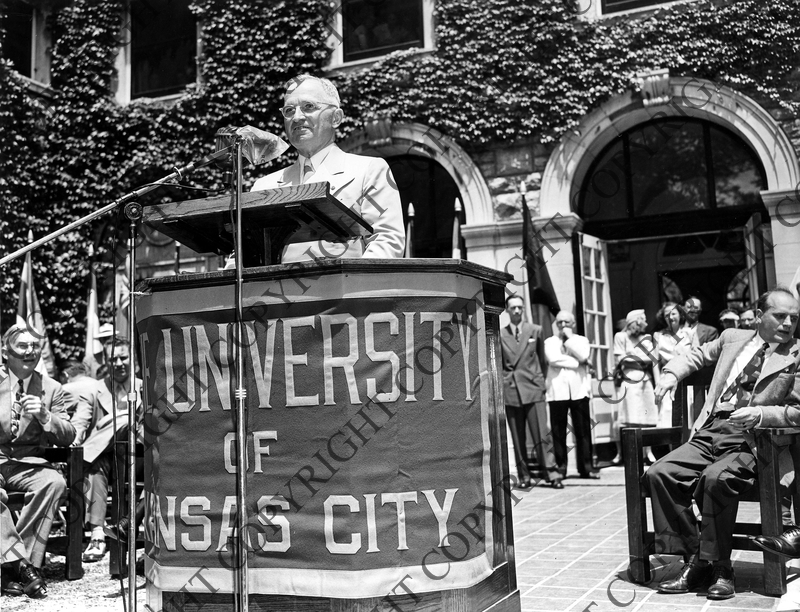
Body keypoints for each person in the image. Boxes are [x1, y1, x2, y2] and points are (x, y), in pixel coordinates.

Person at [646, 287, 800, 601]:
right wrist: (670, 374)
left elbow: (797, 411)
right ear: (759, 316)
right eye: (780, 315)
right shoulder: (731, 337)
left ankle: (720, 567)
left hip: (754, 441)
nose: (788, 324)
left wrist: (760, 413)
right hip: (710, 429)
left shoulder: (797, 354)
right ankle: (699, 559)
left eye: (794, 318)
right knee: (659, 474)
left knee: (716, 479)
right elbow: (695, 355)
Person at [251, 74, 405, 262]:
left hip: (344, 288)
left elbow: (387, 242)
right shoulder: (263, 187)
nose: (297, 117)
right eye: (289, 110)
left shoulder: (368, 170)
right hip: (277, 291)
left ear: (336, 118)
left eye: (309, 107)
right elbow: (242, 256)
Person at [0, 325, 76, 599]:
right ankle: (21, 566)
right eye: (23, 346)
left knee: (54, 482)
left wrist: (46, 417)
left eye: (34, 346)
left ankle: (12, 568)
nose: (30, 352)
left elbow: (69, 436)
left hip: (28, 463)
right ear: (5, 352)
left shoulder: (52, 388)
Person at [78, 337, 142, 563]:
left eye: (123, 357)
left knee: (125, 422)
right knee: (95, 469)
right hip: (105, 460)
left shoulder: (144, 387)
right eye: (113, 358)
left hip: (139, 461)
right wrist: (75, 439)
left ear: (132, 359)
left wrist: (112, 420)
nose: (119, 362)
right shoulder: (95, 390)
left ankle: (88, 452)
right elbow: (81, 422)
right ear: (106, 361)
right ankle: (97, 534)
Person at [500, 294, 563, 490]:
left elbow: (543, 362)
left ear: (524, 309)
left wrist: (539, 381)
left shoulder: (535, 330)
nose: (517, 311)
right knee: (517, 438)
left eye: (520, 307)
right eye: (513, 308)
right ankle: (524, 476)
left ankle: (551, 474)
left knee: (542, 434)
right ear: (507, 310)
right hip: (511, 389)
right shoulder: (500, 333)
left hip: (533, 387)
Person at [544, 311, 597, 479]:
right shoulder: (550, 342)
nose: (563, 326)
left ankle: (586, 467)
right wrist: (578, 363)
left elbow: (584, 355)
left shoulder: (581, 341)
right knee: (558, 431)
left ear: (573, 324)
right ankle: (561, 468)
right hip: (557, 390)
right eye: (559, 323)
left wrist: (570, 340)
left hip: (579, 390)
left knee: (582, 430)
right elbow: (553, 359)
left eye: (566, 322)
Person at [612, 309, 658, 464]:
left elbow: (650, 359)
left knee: (647, 416)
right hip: (629, 379)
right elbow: (621, 359)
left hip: (645, 379)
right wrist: (638, 359)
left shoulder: (646, 338)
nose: (639, 327)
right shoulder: (621, 337)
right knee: (630, 417)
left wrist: (631, 357)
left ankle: (648, 452)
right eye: (637, 323)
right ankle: (630, 453)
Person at [653, 302, 692, 429]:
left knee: (688, 413)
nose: (670, 317)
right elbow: (655, 361)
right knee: (668, 415)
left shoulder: (688, 333)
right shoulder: (658, 336)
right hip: (667, 378)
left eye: (673, 314)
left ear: (680, 315)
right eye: (666, 315)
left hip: (685, 376)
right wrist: (657, 382)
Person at [61, 359, 105, 445]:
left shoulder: (67, 389)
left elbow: (55, 412)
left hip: (82, 440)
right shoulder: (98, 385)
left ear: (65, 375)